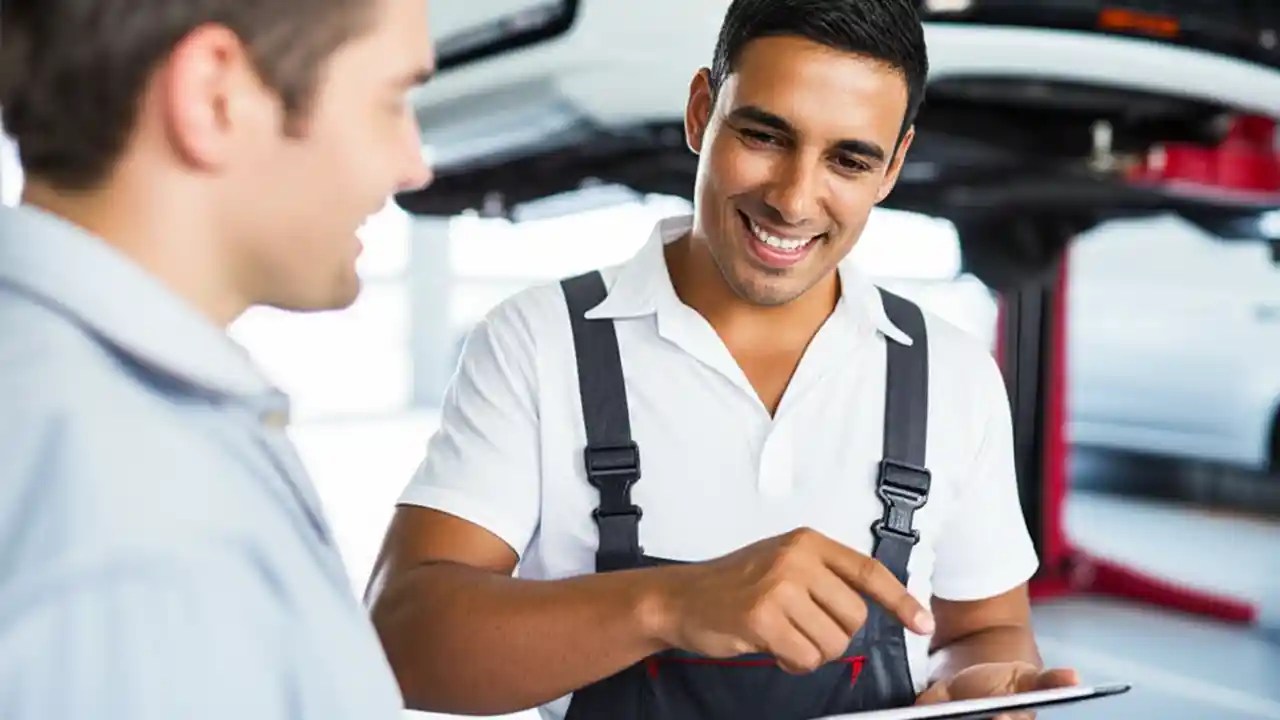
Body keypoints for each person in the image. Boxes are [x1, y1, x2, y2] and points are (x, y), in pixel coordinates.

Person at [366, 0, 1080, 718]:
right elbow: (401, 639)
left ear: (893, 167)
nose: (794, 200)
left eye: (849, 159)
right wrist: (670, 604)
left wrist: (975, 689)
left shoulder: (949, 375)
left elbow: (983, 629)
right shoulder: (539, 343)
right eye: (766, 136)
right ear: (702, 110)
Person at [0, 1, 433, 718]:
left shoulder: (72, 402)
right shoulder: (134, 519)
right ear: (215, 97)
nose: (414, 164)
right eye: (392, 101)